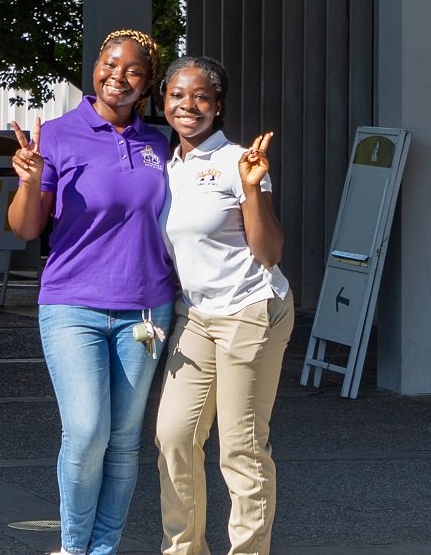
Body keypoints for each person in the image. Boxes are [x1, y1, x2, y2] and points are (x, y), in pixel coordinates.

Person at [7, 29, 176, 555]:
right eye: (109, 64)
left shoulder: (160, 143)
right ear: (95, 66)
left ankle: (103, 550)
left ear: (147, 84)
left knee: (123, 441)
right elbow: (26, 228)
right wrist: (30, 181)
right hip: (72, 305)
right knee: (85, 433)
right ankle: (73, 547)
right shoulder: (56, 136)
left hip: (145, 309)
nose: (117, 77)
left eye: (132, 71)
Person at [153, 56, 293, 555]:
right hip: (195, 314)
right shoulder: (168, 164)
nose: (187, 105)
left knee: (241, 446)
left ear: (218, 106)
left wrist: (251, 189)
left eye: (201, 97)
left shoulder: (237, 161)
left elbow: (269, 252)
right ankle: (183, 549)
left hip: (250, 309)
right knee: (174, 435)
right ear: (163, 101)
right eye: (177, 95)